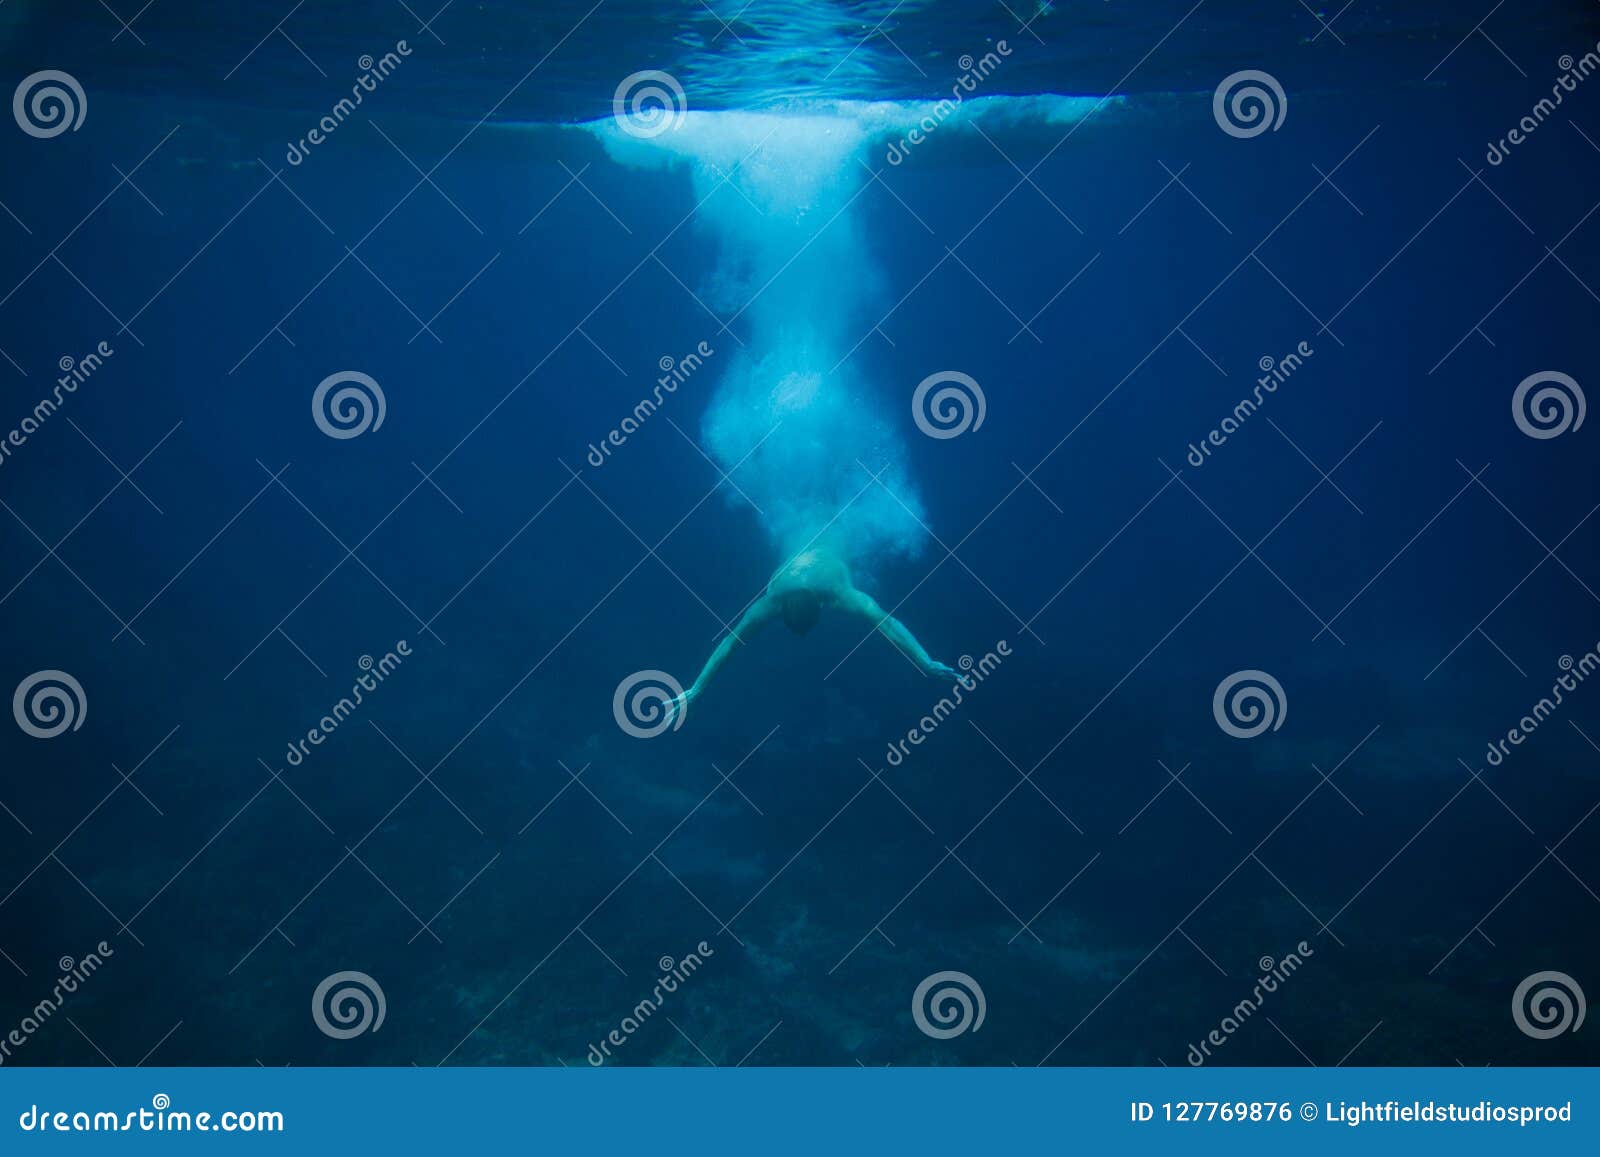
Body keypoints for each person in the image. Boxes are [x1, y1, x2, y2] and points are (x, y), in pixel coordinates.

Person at [665, 546, 957, 723]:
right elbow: (729, 643)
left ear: (823, 604)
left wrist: (925, 661)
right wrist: (696, 688)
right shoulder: (773, 600)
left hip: (836, 537)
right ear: (780, 610)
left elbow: (887, 623)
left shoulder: (836, 592)